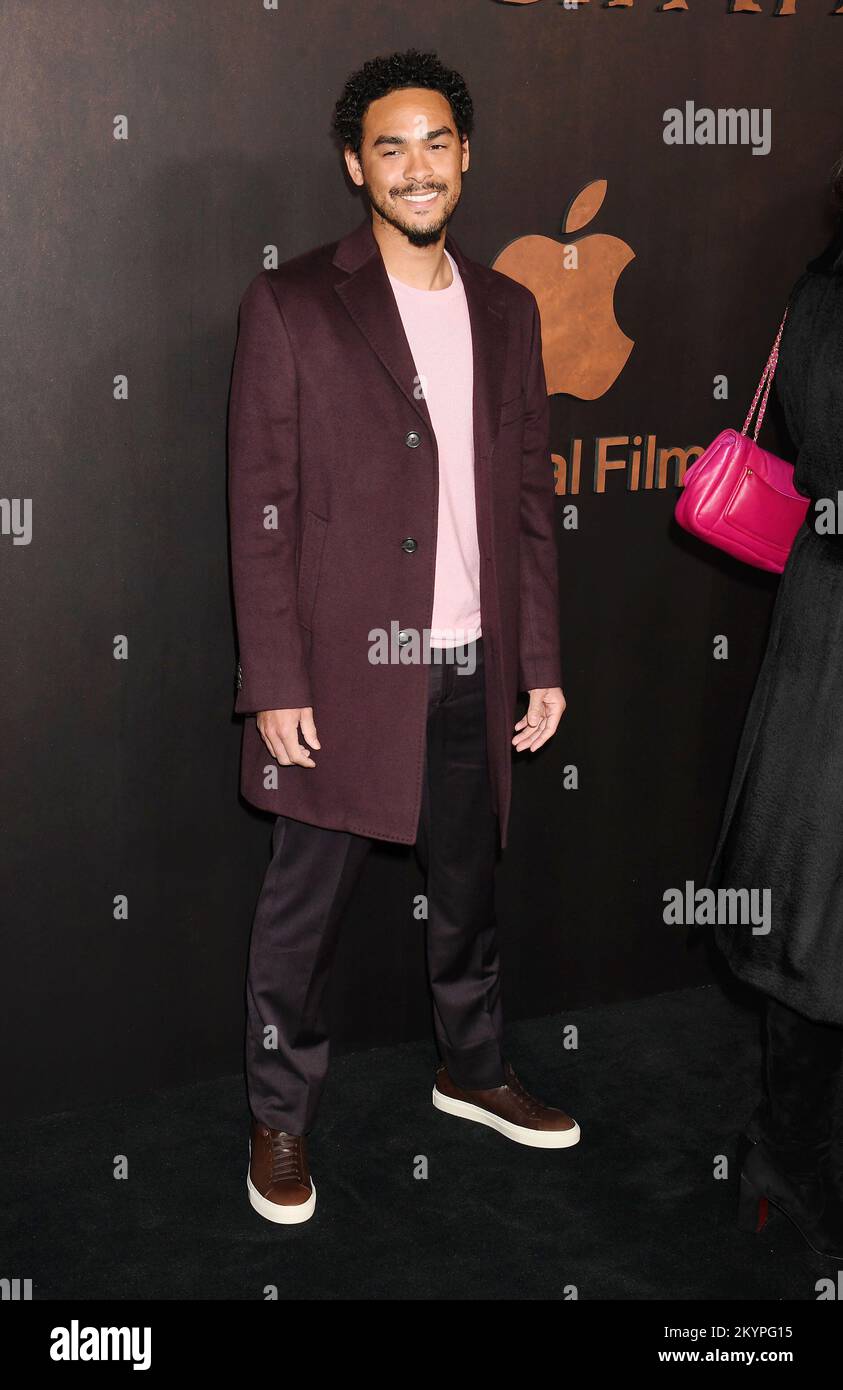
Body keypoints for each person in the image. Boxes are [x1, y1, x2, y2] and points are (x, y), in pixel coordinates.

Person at [227, 49, 578, 1225]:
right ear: (354, 166)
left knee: (471, 891)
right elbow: (259, 503)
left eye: (436, 142)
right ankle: (281, 1120)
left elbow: (530, 497)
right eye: (391, 146)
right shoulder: (290, 304)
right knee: (303, 918)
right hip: (339, 674)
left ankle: (473, 1070)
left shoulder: (511, 309)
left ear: (465, 157)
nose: (416, 166)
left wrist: (540, 659)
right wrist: (273, 674)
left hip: (475, 663)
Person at [705, 156, 843, 1260]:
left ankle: (780, 1159)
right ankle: (791, 1162)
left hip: (822, 625)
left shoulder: (817, 289)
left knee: (811, 920)